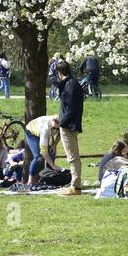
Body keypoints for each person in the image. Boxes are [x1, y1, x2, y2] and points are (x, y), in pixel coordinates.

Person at [54, 59, 85, 195]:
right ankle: (75, 185)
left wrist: (62, 123)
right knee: (72, 156)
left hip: (69, 126)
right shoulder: (70, 83)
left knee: (72, 156)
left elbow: (70, 108)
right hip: (68, 124)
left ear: (59, 72)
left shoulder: (70, 85)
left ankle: (75, 186)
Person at [25, 114, 62, 182]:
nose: (56, 130)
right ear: (51, 123)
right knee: (38, 157)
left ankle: (49, 178)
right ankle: (30, 181)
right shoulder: (44, 130)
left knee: (51, 152)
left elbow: (60, 134)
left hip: (46, 133)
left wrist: (54, 145)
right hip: (31, 132)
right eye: (54, 128)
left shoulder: (60, 125)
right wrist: (53, 165)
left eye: (58, 128)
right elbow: (44, 152)